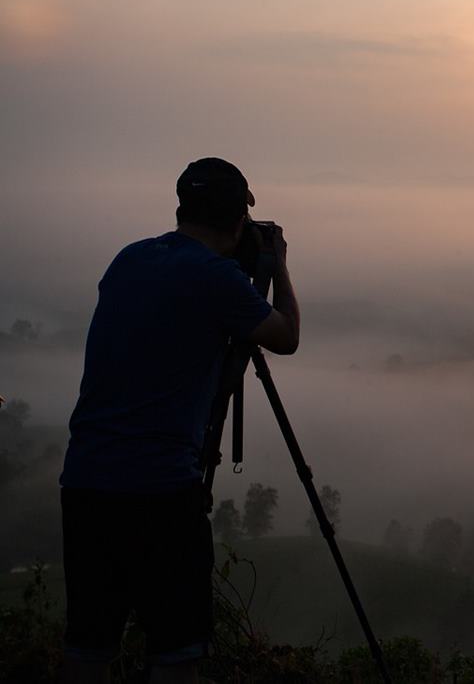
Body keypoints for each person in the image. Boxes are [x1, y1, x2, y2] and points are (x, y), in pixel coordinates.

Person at [59, 158, 301, 684]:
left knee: (89, 644)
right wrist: (277, 264)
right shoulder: (216, 279)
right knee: (175, 653)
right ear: (237, 219)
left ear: (181, 208)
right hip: (160, 489)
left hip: (85, 481)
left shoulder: (128, 259)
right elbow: (286, 336)